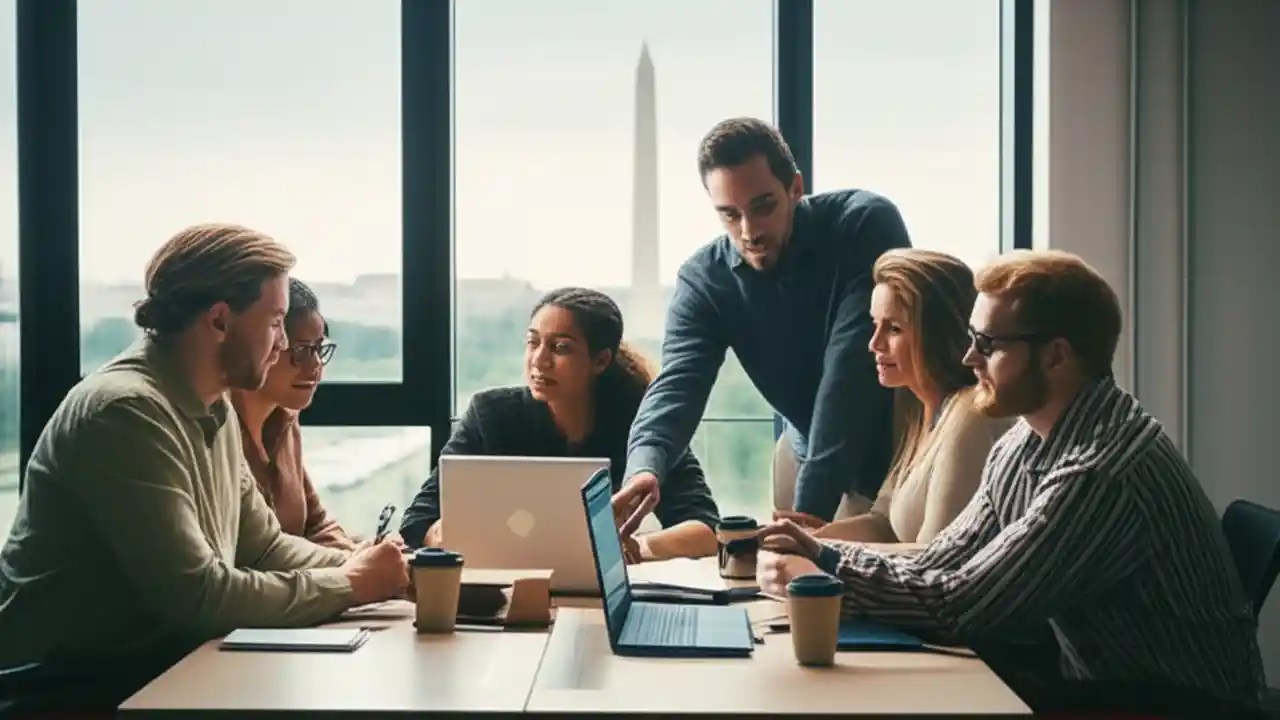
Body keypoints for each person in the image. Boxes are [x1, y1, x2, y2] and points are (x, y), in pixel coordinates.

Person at [755, 250, 1266, 712]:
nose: (968, 357)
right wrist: (823, 556)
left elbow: (959, 605)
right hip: (1109, 686)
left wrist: (822, 569)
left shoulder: (1100, 472)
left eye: (988, 343)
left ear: (1057, 356)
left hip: (1178, 707)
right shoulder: (1026, 438)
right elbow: (941, 558)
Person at [0, 224, 408, 710]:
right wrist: (351, 584)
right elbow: (200, 598)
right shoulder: (126, 413)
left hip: (159, 673)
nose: (282, 345)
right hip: (70, 689)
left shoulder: (212, 408)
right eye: (276, 322)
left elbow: (263, 548)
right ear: (219, 321)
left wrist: (381, 571)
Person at [615, 117, 910, 533]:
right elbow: (678, 385)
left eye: (763, 206)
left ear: (796, 187)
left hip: (900, 458)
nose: (749, 231)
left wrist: (810, 515)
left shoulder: (863, 224)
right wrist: (645, 469)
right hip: (800, 456)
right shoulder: (704, 279)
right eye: (729, 215)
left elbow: (850, 371)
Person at [400, 287, 720, 562]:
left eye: (560, 347)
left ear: (601, 361)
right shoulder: (491, 415)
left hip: (601, 596)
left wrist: (637, 548)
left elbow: (707, 529)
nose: (539, 360)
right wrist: (442, 536)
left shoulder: (640, 422)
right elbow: (417, 522)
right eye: (533, 342)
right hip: (510, 592)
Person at [813, 249, 1013, 550]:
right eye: (874, 324)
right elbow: (883, 524)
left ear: (937, 333)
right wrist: (805, 540)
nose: (874, 344)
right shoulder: (920, 412)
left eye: (894, 329)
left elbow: (936, 557)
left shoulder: (969, 416)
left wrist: (822, 554)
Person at [230, 278, 358, 550]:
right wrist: (354, 568)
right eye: (300, 350)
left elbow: (317, 524)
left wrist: (360, 556)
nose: (315, 366)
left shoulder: (286, 419)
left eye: (318, 349)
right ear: (268, 344)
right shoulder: (218, 429)